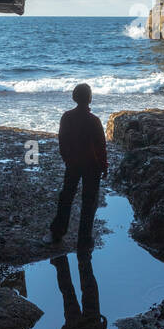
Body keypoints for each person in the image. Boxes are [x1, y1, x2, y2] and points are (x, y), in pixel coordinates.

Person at [47, 83, 108, 250]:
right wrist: (104, 167)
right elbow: (100, 146)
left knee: (66, 197)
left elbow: (62, 141)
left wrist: (67, 159)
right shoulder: (94, 121)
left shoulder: (67, 117)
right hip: (92, 165)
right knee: (89, 201)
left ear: (74, 97)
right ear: (89, 98)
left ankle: (58, 231)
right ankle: (84, 239)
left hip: (73, 163)